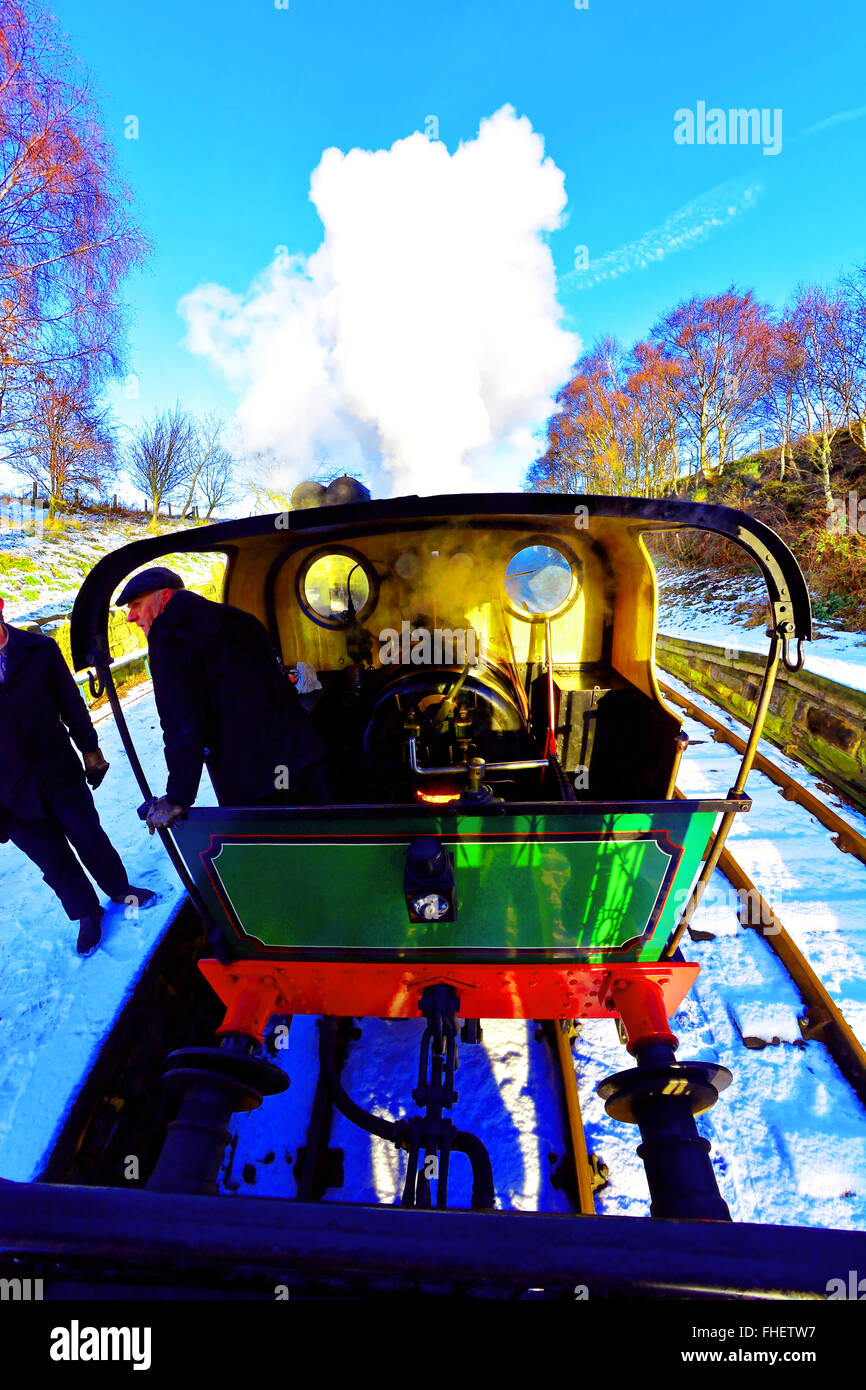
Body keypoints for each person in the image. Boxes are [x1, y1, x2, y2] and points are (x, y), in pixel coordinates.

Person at [0, 596, 155, 955]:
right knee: (52, 860)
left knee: (89, 836)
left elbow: (70, 702)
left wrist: (90, 748)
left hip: (58, 771)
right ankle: (86, 912)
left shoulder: (40, 650)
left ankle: (120, 890)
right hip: (9, 792)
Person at [118, 568, 329, 831]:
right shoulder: (240, 617)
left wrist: (178, 797)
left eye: (137, 605)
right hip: (303, 757)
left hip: (253, 778)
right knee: (322, 842)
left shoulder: (168, 633)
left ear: (165, 597)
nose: (130, 617)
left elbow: (181, 723)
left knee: (277, 861)